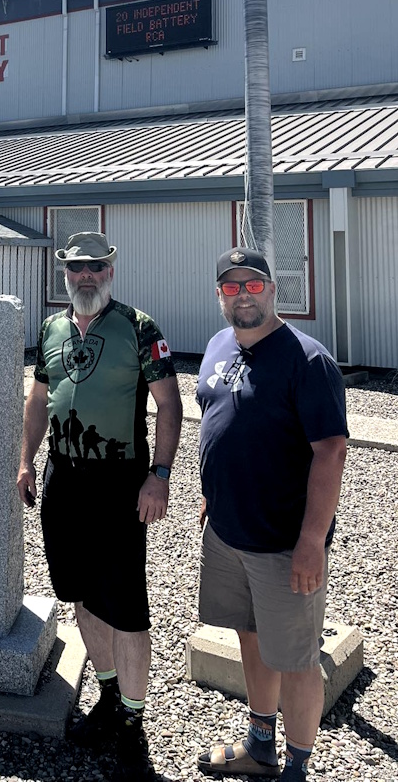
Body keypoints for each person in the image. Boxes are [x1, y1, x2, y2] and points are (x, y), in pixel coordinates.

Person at [17, 231, 182, 780]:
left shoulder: (139, 328)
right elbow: (39, 398)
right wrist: (25, 460)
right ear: (65, 273)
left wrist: (158, 475)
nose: (86, 275)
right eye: (77, 267)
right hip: (64, 480)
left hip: (119, 483)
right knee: (80, 595)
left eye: (96, 267)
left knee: (127, 607)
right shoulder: (52, 328)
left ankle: (134, 728)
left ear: (110, 271)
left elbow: (168, 403)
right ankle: (110, 699)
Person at [195, 247, 348, 781]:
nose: (243, 296)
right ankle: (261, 746)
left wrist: (312, 540)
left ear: (273, 289)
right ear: (220, 295)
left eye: (253, 285)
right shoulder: (218, 345)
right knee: (249, 636)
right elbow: (220, 417)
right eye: (232, 287)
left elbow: (330, 449)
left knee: (298, 658)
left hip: (285, 543)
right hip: (228, 534)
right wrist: (214, 493)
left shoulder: (307, 360)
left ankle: (298, 767)